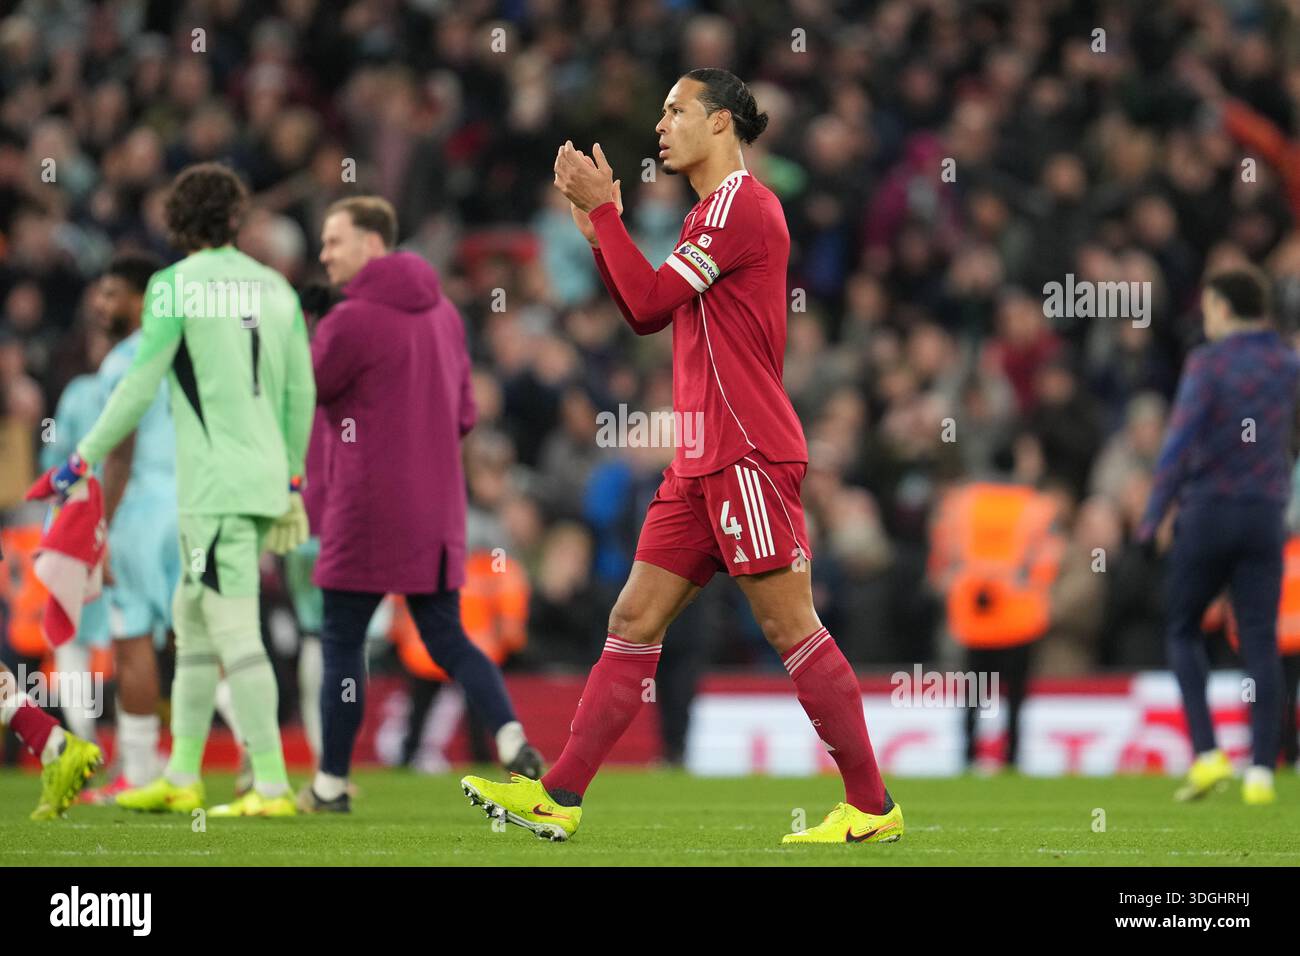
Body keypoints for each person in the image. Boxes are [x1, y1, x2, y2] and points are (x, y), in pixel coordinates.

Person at [461, 69, 901, 844]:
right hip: (699, 459)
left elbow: (649, 306)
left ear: (722, 123)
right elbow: (645, 304)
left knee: (789, 625)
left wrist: (602, 215)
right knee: (631, 617)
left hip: (746, 453)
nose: (660, 126)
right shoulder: (710, 213)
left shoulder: (741, 207)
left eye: (676, 111)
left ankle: (871, 806)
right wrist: (601, 231)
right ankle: (560, 794)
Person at [30, 162, 316, 817]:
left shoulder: (172, 286)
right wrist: (294, 478)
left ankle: (270, 783)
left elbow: (136, 386)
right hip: (262, 477)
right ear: (237, 219)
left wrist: (80, 459)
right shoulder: (276, 288)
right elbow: (301, 391)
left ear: (176, 224)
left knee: (234, 631)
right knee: (191, 626)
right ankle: (182, 773)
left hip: (212, 486)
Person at [304, 196, 541, 812]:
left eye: (335, 240)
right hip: (436, 508)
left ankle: (330, 782)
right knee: (448, 637)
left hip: (362, 507)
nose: (324, 253)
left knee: (342, 643)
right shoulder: (444, 316)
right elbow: (466, 414)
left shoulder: (348, 320)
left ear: (372, 243)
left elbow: (310, 389)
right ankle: (511, 736)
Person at [1139, 267, 1300, 805]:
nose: (1205, 320)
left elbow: (1178, 443)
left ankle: (1208, 756)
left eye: (1208, 309)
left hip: (1209, 511)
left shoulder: (1208, 364)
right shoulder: (1287, 363)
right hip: (1265, 515)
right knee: (1260, 639)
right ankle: (1261, 771)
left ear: (1225, 309)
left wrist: (1152, 515)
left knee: (1183, 626)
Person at [76, 253, 179, 803]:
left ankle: (139, 774)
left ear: (141, 300)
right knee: (207, 636)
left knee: (132, 639)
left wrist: (98, 528)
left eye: (113, 293)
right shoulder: (180, 352)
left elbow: (120, 449)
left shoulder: (121, 363)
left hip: (137, 510)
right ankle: (258, 770)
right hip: (190, 503)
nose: (101, 303)